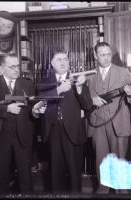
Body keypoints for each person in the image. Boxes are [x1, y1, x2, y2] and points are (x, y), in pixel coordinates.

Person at [0, 55, 45, 195]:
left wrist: (35, 111)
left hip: (23, 136)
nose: (16, 69)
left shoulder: (27, 84)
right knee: (2, 178)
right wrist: (7, 109)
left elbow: (31, 108)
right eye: (12, 67)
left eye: (17, 66)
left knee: (26, 178)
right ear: (2, 67)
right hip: (0, 137)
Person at [37, 51, 93, 193]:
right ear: (52, 63)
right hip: (53, 131)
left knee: (75, 174)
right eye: (59, 59)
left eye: (65, 59)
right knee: (56, 173)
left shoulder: (78, 80)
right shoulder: (44, 81)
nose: (63, 62)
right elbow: (39, 98)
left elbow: (87, 106)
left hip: (73, 132)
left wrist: (79, 88)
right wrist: (59, 89)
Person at [87, 42, 131, 194]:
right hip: (97, 124)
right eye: (102, 55)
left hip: (118, 122)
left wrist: (130, 95)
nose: (106, 58)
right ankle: (103, 190)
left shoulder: (123, 72)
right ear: (95, 56)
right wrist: (91, 100)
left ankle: (122, 192)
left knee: (120, 161)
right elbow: (84, 99)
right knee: (101, 161)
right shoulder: (89, 76)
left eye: (108, 54)